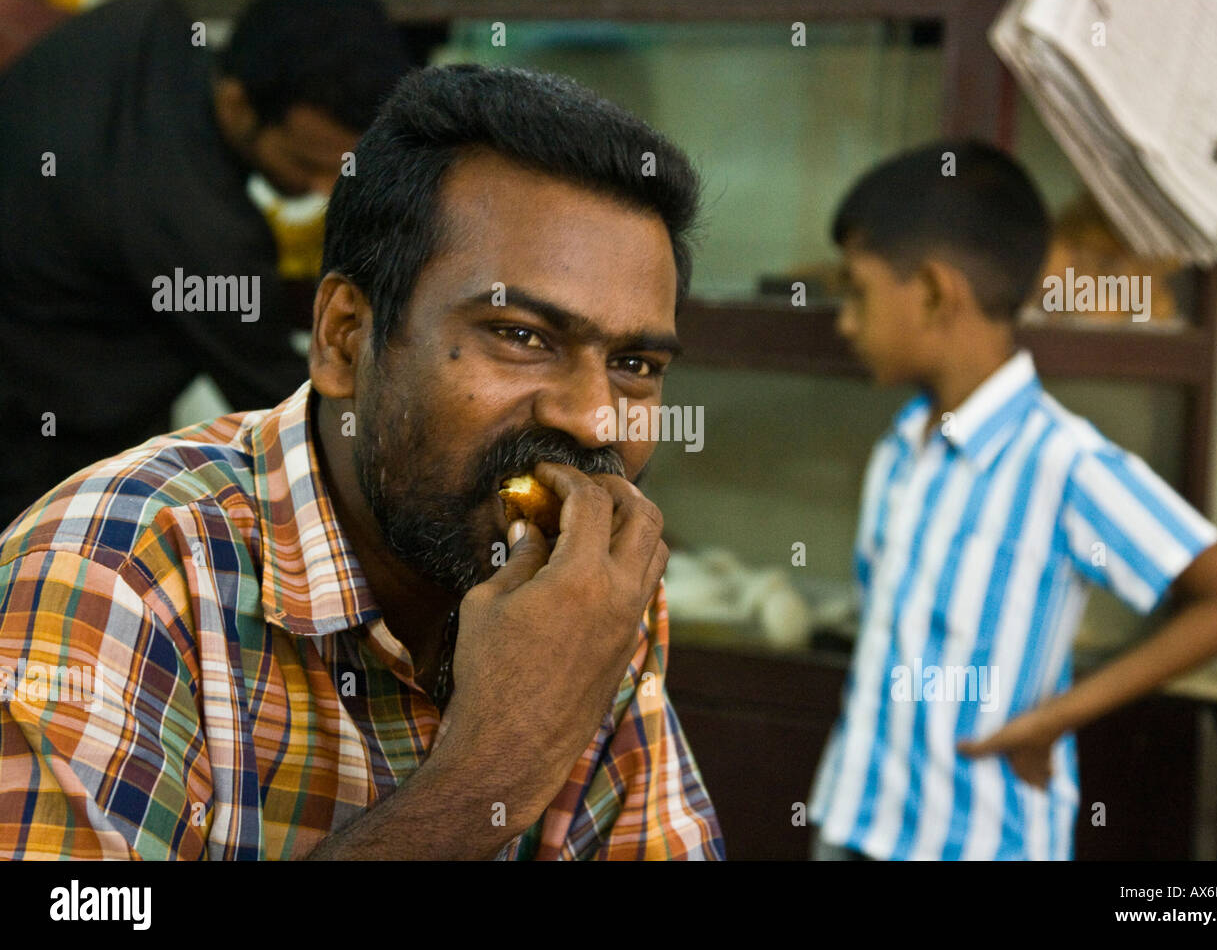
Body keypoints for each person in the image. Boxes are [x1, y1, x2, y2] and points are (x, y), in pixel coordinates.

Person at [0, 64, 724, 860]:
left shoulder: (588, 585)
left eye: (636, 365)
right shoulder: (115, 574)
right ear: (346, 338)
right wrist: (489, 774)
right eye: (521, 336)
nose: (593, 419)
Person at [808, 140, 1217, 860]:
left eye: (858, 292)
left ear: (935, 293)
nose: (843, 321)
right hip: (854, 817)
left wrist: (1056, 717)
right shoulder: (901, 448)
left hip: (980, 843)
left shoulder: (1064, 463)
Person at [0, 0, 411, 527]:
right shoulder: (203, 229)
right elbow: (295, 400)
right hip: (39, 426)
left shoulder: (145, 19)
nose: (325, 189)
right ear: (239, 105)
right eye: (307, 165)